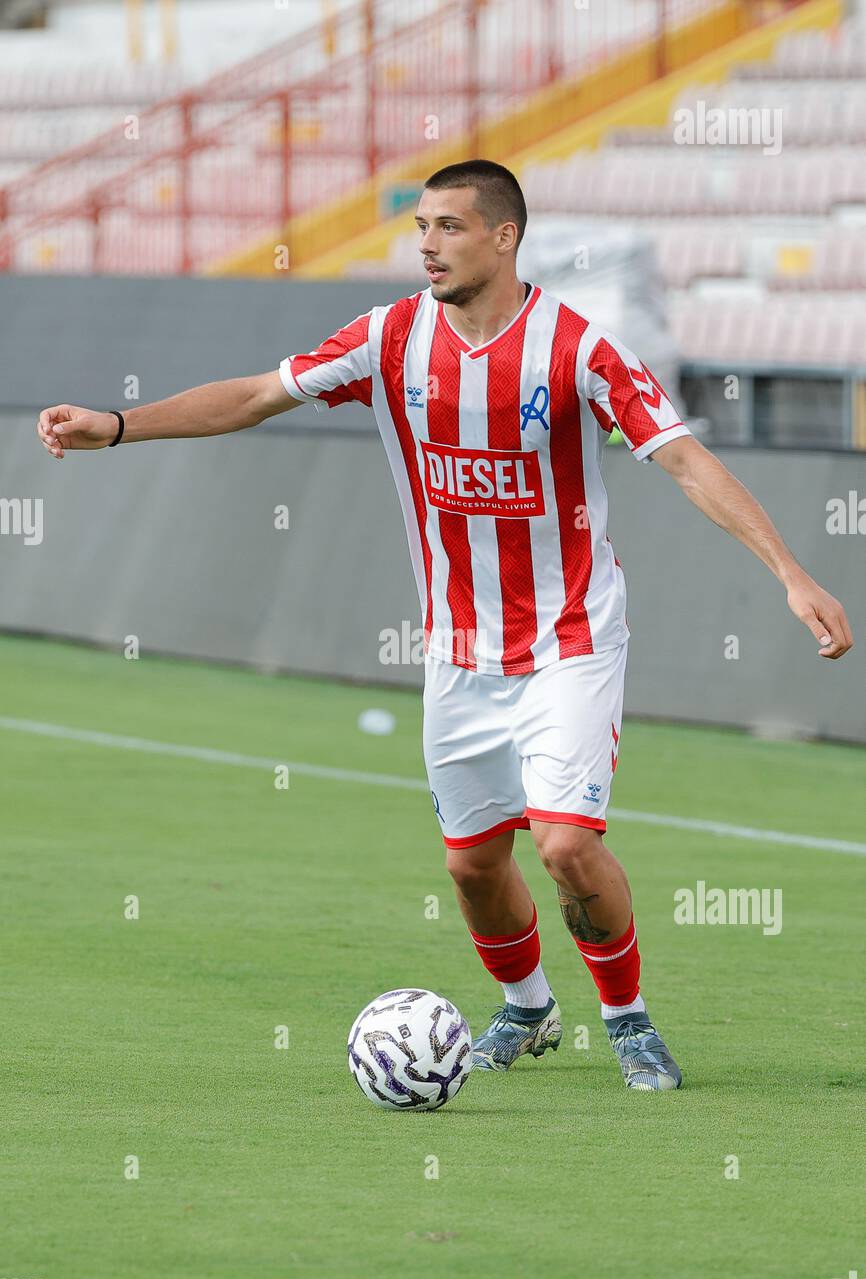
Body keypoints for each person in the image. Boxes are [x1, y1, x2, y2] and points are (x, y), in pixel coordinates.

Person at [37, 159, 853, 1091]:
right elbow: (257, 396)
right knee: (472, 865)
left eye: (450, 227)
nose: (427, 244)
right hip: (457, 650)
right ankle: (530, 1006)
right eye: (421, 226)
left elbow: (686, 460)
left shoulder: (579, 349)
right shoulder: (388, 338)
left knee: (564, 843)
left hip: (569, 638)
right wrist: (118, 423)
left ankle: (627, 1022)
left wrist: (790, 572)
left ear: (504, 237)